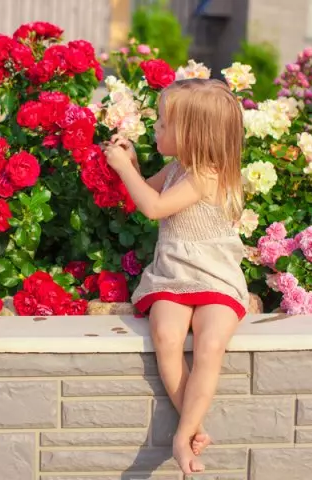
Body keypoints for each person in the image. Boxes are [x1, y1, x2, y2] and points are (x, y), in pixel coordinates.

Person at [103, 78, 249, 475]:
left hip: (215, 278)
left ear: (192, 134)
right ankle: (191, 427)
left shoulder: (207, 174)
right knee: (166, 336)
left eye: (164, 124)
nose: (156, 129)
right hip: (173, 275)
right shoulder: (178, 166)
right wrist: (130, 166)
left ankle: (180, 439)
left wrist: (122, 169)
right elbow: (145, 192)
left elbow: (153, 208)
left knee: (210, 343)